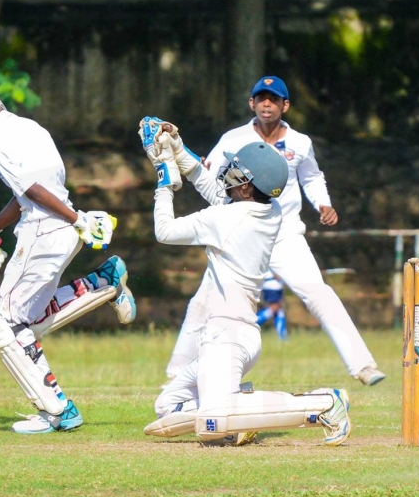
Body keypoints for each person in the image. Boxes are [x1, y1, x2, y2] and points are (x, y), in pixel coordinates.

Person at [165, 76, 384, 386]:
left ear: (285, 105)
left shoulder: (300, 143)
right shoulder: (232, 139)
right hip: (241, 235)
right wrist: (195, 162)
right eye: (261, 98)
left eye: (274, 99)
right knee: (203, 301)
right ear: (252, 104)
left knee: (318, 293)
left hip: (284, 234)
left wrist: (323, 203)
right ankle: (175, 375)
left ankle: (363, 366)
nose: (267, 104)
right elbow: (214, 179)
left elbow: (312, 177)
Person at [141, 133, 351, 447]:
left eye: (237, 171)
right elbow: (214, 190)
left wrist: (164, 179)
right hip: (235, 336)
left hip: (226, 338)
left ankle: (322, 403)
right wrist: (177, 147)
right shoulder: (273, 209)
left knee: (212, 427)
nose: (229, 173)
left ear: (247, 187)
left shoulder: (225, 218)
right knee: (168, 405)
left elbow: (164, 231)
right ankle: (237, 408)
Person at [0, 87, 135, 434]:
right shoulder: (29, 126)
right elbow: (29, 193)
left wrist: (77, 220)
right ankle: (103, 281)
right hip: (59, 230)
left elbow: (33, 189)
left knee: (6, 327)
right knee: (24, 323)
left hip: (44, 232)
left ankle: (58, 410)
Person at [257, 274, 288, 340]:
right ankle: (255, 321)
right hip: (272, 284)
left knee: (279, 309)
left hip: (274, 284)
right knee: (275, 307)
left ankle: (283, 338)